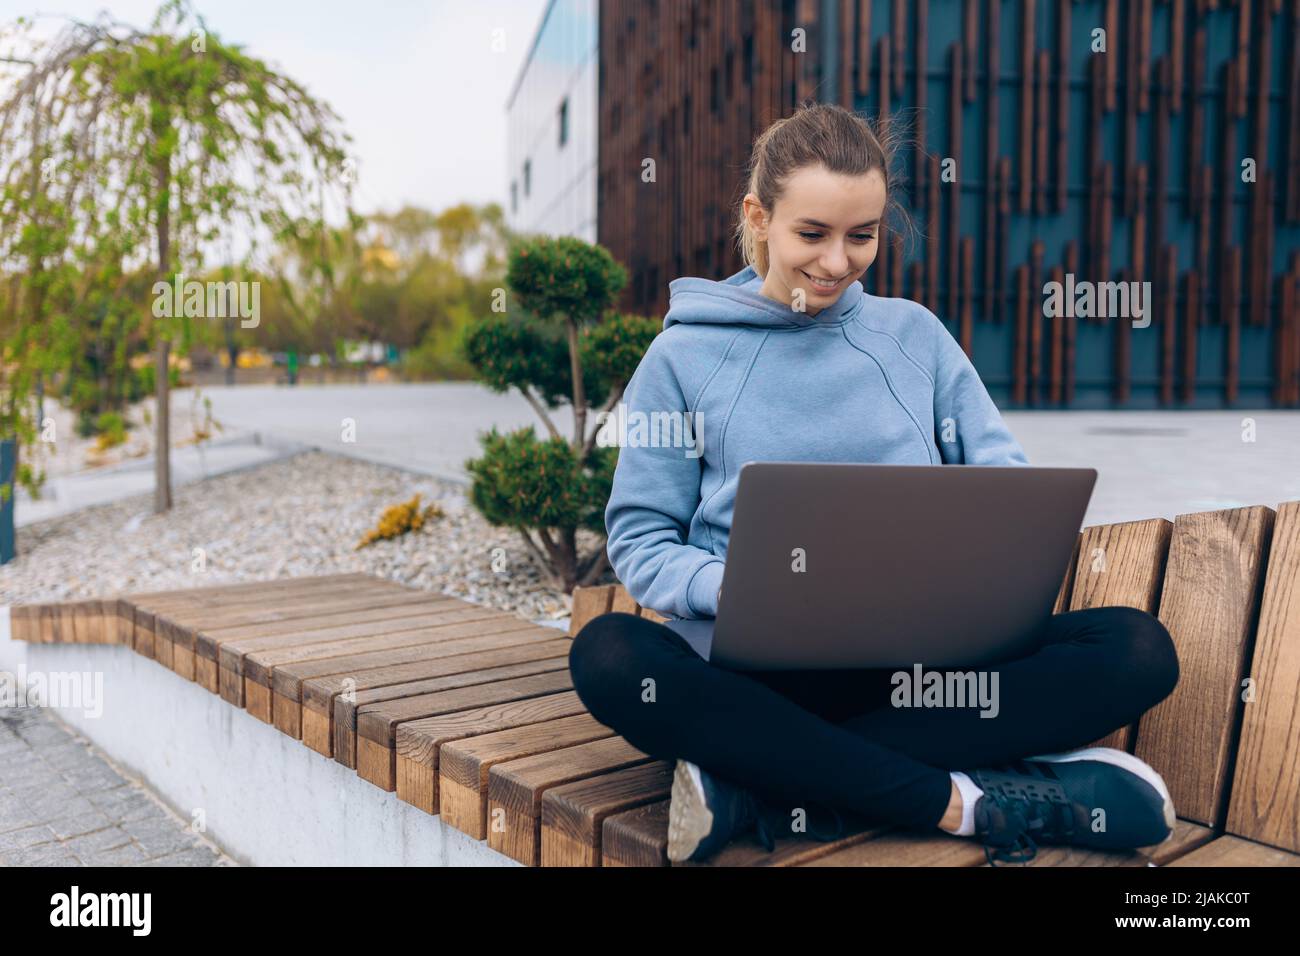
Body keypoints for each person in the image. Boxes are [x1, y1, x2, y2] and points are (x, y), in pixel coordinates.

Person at [569, 103, 1179, 865]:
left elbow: (1004, 487)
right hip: (755, 681)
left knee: (1136, 649)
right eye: (812, 234)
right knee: (611, 655)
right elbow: (641, 539)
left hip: (920, 678)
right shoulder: (682, 359)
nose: (837, 262)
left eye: (862, 237)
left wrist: (973, 577)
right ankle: (967, 804)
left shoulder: (914, 336)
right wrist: (731, 587)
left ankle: (756, 786)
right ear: (759, 217)